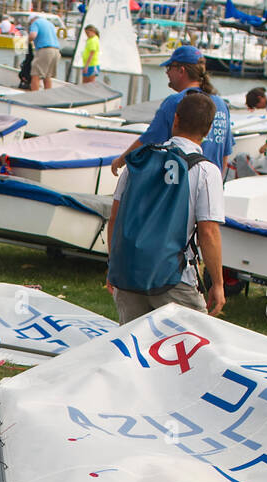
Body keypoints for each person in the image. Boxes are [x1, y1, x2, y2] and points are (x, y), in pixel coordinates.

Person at [105, 91, 225, 323]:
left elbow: (115, 217)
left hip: (129, 271)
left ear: (176, 120)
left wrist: (114, 264)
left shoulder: (138, 161)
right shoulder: (206, 171)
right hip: (174, 276)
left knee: (133, 349)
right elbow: (208, 232)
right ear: (208, 130)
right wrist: (218, 284)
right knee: (190, 349)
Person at [109, 45, 233, 175]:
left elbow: (149, 140)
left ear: (181, 70)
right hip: (210, 183)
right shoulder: (221, 104)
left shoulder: (176, 102)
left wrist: (120, 161)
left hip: (182, 186)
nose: (167, 73)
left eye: (169, 68)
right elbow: (225, 154)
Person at [27, 13, 61, 90]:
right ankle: (46, 96)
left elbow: (33, 35)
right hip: (56, 51)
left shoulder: (35, 23)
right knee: (47, 76)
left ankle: (34, 96)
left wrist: (25, 41)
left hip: (45, 50)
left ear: (31, 20)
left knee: (35, 75)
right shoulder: (49, 24)